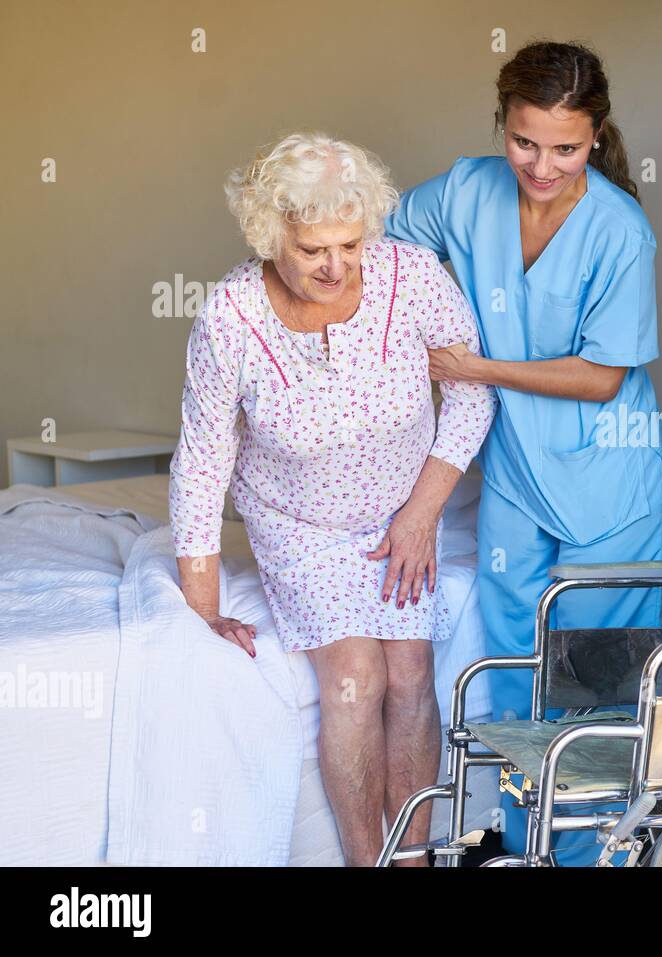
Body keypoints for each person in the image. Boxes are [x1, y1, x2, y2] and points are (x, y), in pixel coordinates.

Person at [169, 131, 495, 866]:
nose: (337, 265)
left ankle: (413, 858)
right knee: (354, 680)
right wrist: (202, 605)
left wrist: (421, 515)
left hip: (401, 510)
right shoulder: (230, 316)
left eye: (350, 244)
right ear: (269, 232)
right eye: (315, 248)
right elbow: (202, 457)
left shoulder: (411, 277)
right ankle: (361, 859)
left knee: (410, 670)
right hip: (298, 523)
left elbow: (471, 394)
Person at [386, 41, 662, 863]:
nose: (541, 165)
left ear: (595, 138)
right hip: (516, 475)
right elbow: (380, 248)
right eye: (524, 141)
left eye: (565, 148)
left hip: (609, 485)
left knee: (593, 695)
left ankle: (584, 857)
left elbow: (599, 377)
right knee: (514, 678)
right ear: (502, 126)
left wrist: (473, 366)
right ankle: (521, 848)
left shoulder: (621, 230)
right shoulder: (467, 190)